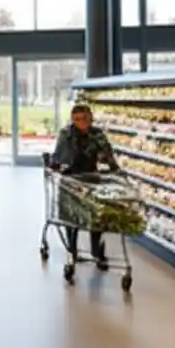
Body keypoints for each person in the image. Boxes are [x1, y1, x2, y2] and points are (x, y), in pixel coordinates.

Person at [50, 104, 119, 268]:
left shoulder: (97, 134)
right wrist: (56, 164)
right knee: (71, 216)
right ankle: (72, 248)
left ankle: (97, 251)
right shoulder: (66, 134)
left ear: (91, 119)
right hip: (70, 180)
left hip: (91, 179)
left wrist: (113, 168)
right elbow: (59, 156)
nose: (81, 122)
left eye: (85, 119)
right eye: (77, 119)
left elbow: (107, 155)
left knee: (96, 217)